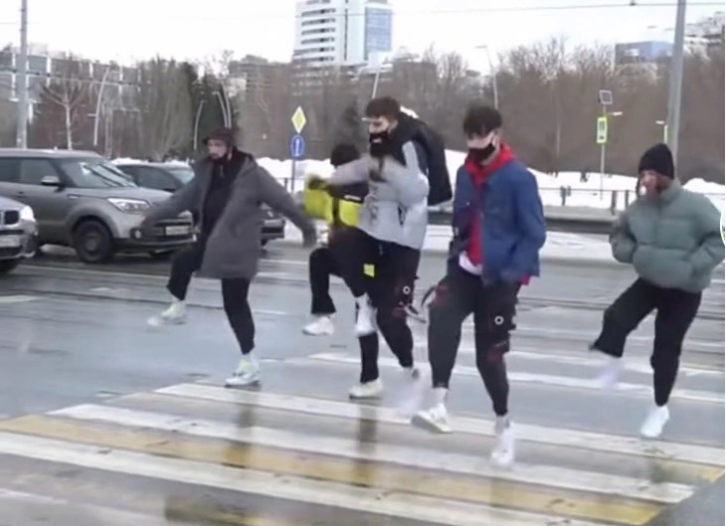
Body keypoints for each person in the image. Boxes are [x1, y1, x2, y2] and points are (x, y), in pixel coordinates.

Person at [411, 104, 546, 469]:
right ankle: (439, 405)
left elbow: (535, 233)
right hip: (465, 272)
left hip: (500, 280)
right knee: (440, 314)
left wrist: (512, 273)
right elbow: (462, 223)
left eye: (481, 136)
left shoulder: (518, 178)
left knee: (489, 357)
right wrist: (455, 260)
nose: (474, 144)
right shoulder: (464, 174)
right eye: (469, 137)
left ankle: (504, 425)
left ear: (496, 136)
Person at [141, 128, 317, 387]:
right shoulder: (207, 173)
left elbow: (283, 200)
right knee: (183, 260)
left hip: (238, 247)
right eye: (211, 145)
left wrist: (307, 227)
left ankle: (249, 363)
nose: (213, 151)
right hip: (211, 243)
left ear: (230, 147)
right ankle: (178, 307)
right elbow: (181, 199)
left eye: (218, 146)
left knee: (235, 304)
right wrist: (152, 217)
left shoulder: (253, 175)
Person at [591, 143, 724, 439]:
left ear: (666, 175)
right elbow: (618, 234)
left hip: (684, 289)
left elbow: (720, 237)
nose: (646, 180)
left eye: (651, 173)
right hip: (650, 282)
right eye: (643, 174)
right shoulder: (639, 208)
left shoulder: (695, 206)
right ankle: (612, 361)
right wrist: (633, 253)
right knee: (615, 318)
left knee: (664, 351)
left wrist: (693, 265)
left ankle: (659, 407)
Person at [326, 96, 429, 403]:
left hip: (401, 248)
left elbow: (415, 196)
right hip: (373, 245)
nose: (372, 129)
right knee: (365, 311)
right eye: (370, 124)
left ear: (393, 122)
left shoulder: (409, 151)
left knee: (388, 317)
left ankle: (410, 364)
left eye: (378, 123)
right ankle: (369, 377)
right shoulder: (374, 156)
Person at [301, 143, 367, 336]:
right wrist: (312, 188)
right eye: (336, 168)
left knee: (367, 318)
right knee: (318, 259)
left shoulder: (367, 189)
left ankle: (366, 312)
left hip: (365, 255)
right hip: (341, 251)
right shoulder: (334, 190)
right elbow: (317, 210)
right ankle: (324, 316)